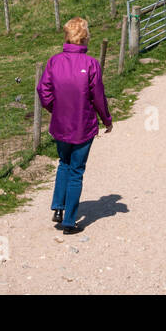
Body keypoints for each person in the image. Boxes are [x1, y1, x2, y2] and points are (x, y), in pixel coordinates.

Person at [36, 16, 112, 234]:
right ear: (85, 37)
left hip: (61, 124)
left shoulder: (54, 61)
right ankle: (69, 221)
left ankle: (58, 207)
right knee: (76, 171)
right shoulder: (91, 64)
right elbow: (98, 97)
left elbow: (43, 90)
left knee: (64, 163)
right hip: (83, 125)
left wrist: (55, 109)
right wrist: (106, 119)